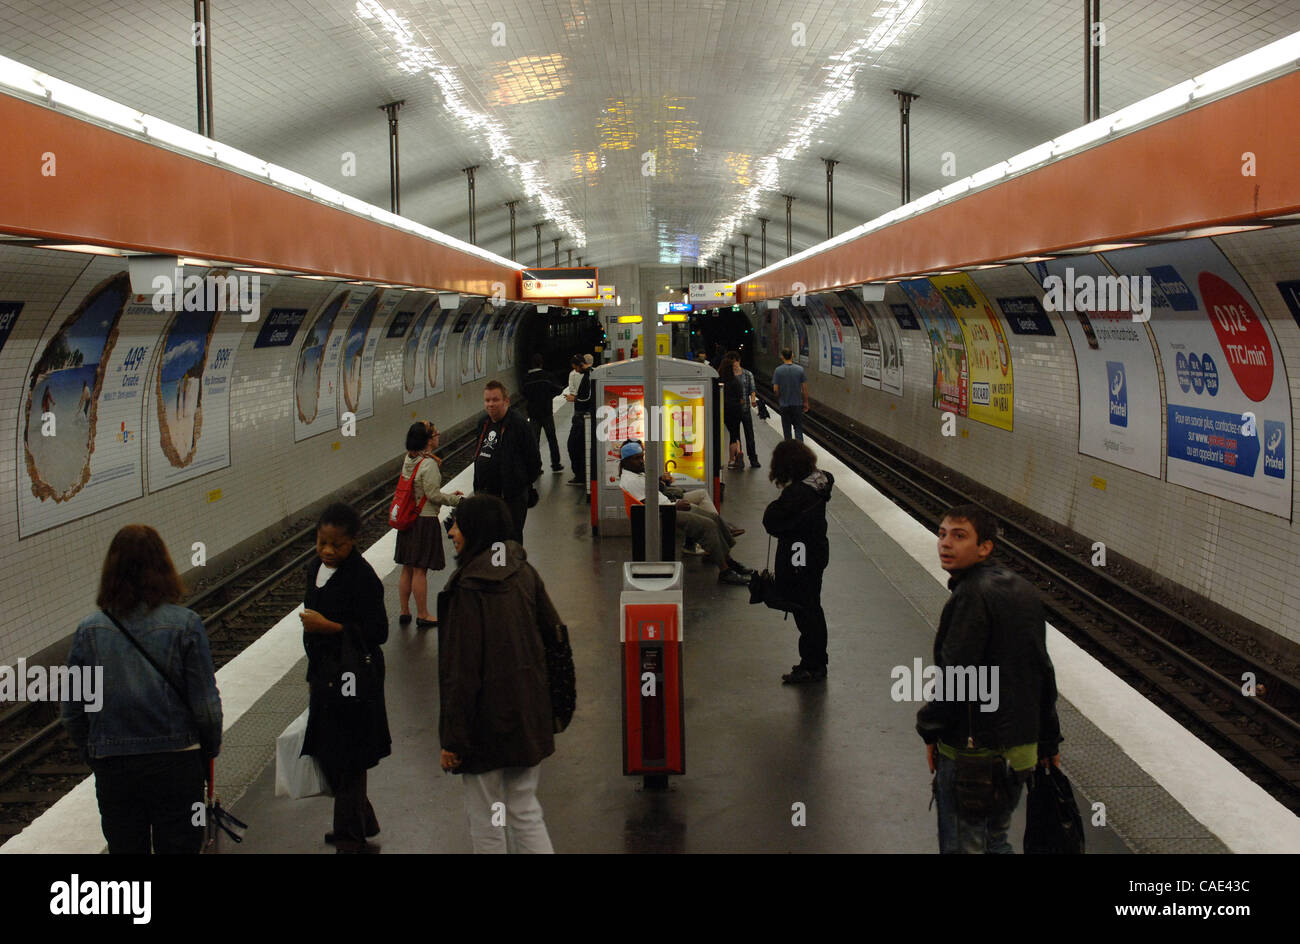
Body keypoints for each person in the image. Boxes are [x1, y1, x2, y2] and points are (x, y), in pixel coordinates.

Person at [61, 524, 223, 854]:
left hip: (116, 770)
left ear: (111, 572)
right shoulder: (185, 624)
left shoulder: (89, 632)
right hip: (177, 766)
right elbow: (206, 706)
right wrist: (208, 749)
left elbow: (72, 710)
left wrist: (96, 752)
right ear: (163, 568)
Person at [916, 504, 1062, 854]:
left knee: (966, 847)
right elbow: (1042, 670)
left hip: (974, 756)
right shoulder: (1022, 589)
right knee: (995, 841)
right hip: (1020, 754)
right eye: (942, 534)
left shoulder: (971, 596)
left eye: (959, 536)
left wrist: (930, 728)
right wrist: (1049, 739)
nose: (945, 544)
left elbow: (957, 677)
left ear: (985, 547)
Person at [438, 494, 559, 854]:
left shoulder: (469, 587)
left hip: (485, 726)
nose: (452, 533)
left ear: (477, 530)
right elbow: (555, 639)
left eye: (457, 524)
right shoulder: (524, 572)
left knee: (489, 817)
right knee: (524, 809)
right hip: (527, 714)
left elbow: (462, 672)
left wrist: (453, 739)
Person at [301, 502, 391, 853]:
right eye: (321, 542)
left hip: (355, 676)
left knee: (350, 755)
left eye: (336, 545)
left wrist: (331, 627)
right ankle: (359, 818)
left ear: (353, 541)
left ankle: (349, 834)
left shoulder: (361, 577)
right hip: (323, 676)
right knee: (327, 752)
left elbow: (378, 631)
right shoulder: (313, 569)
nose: (326, 550)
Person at [618, 441, 752, 585]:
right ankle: (725, 570)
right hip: (665, 513)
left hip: (668, 507)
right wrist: (675, 505)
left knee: (713, 517)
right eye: (637, 458)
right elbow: (649, 506)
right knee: (708, 525)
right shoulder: (632, 480)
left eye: (641, 457)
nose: (641, 461)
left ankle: (727, 559)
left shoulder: (635, 474)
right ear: (626, 461)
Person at [762, 441, 833, 684]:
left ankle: (812, 666)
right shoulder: (819, 483)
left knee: (806, 611)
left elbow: (771, 521)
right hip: (814, 553)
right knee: (812, 607)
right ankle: (815, 662)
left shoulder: (797, 494)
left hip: (799, 556)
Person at [395, 421, 463, 628]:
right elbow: (432, 495)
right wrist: (456, 500)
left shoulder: (409, 459)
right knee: (420, 570)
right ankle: (423, 614)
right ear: (428, 440)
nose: (438, 436)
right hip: (423, 521)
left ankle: (405, 611)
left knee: (406, 567)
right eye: (435, 434)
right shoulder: (429, 464)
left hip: (408, 519)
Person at [473, 380, 542, 542]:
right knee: (490, 539)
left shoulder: (519, 425)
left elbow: (534, 461)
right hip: (487, 496)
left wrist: (519, 483)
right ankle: (497, 568)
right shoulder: (483, 423)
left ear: (506, 401)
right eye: (487, 400)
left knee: (511, 539)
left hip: (512, 498)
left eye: (495, 400)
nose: (490, 404)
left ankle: (512, 567)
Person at [522, 354, 565, 472]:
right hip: (546, 412)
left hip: (533, 414)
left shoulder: (526, 378)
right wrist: (548, 396)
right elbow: (559, 389)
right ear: (541, 363)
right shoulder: (547, 376)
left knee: (534, 441)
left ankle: (536, 467)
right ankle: (555, 464)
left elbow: (523, 393)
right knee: (552, 439)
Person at [564, 354, 593, 486]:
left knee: (574, 446)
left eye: (575, 368)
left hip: (582, 418)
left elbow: (588, 398)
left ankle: (580, 476)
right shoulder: (588, 375)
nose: (575, 371)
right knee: (578, 447)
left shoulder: (589, 376)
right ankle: (581, 475)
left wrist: (574, 399)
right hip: (581, 417)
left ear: (580, 365)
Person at [731, 350, 761, 468]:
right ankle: (739, 458)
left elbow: (752, 389)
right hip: (733, 410)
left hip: (745, 409)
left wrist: (753, 399)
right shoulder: (729, 375)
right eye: (732, 363)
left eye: (735, 362)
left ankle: (753, 458)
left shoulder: (748, 374)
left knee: (749, 434)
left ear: (739, 361)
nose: (734, 365)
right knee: (735, 435)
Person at [772, 348, 809, 441]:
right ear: (792, 356)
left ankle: (789, 450)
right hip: (797, 404)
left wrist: (779, 397)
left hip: (784, 405)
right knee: (798, 429)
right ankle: (800, 451)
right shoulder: (800, 370)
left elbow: (775, 390)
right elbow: (804, 389)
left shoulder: (778, 370)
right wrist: (806, 403)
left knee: (787, 430)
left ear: (782, 357)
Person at [719, 353, 745, 470]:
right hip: (735, 410)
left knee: (728, 433)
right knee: (734, 435)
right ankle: (732, 459)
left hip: (723, 410)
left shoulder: (719, 381)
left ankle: (734, 456)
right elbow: (742, 399)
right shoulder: (736, 381)